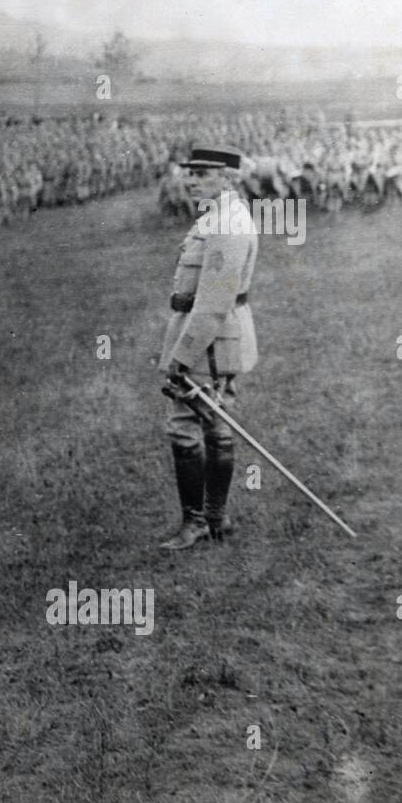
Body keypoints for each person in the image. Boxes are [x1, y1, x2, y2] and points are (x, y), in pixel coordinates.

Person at [159, 146, 258, 550]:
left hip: (211, 341)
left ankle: (199, 521)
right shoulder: (217, 217)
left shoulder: (228, 225)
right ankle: (215, 518)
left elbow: (214, 302)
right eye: (191, 173)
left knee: (186, 427)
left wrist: (181, 358)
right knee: (217, 426)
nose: (191, 180)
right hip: (212, 335)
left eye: (202, 174)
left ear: (228, 179)